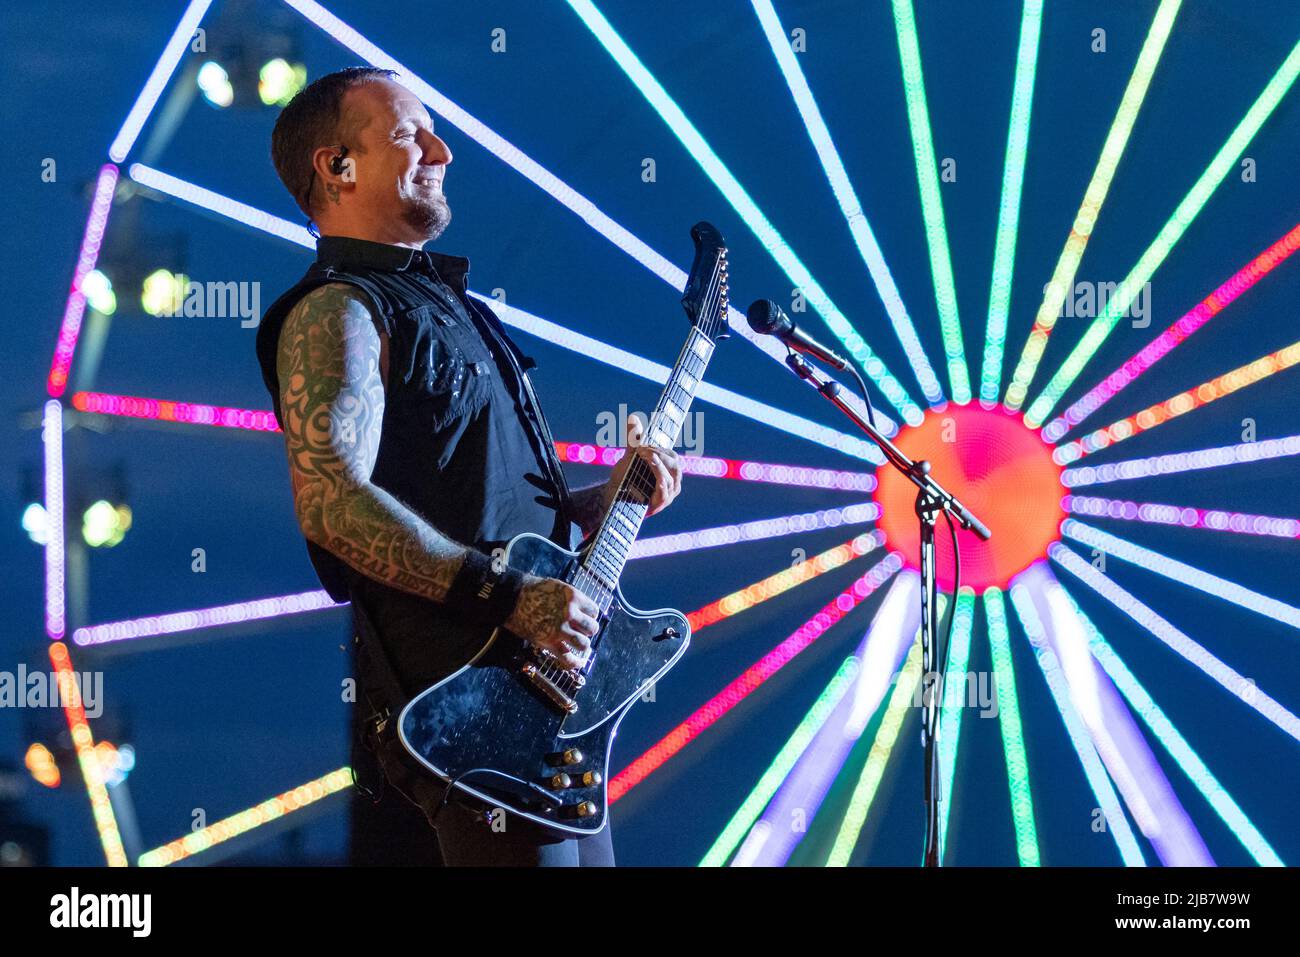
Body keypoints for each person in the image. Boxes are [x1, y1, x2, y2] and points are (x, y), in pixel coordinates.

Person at [255, 66, 683, 866]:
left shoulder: (458, 311)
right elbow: (333, 505)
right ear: (335, 166)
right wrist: (510, 597)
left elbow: (489, 504)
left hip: (542, 694)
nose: (444, 151)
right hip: (471, 706)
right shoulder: (338, 310)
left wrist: (601, 502)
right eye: (410, 133)